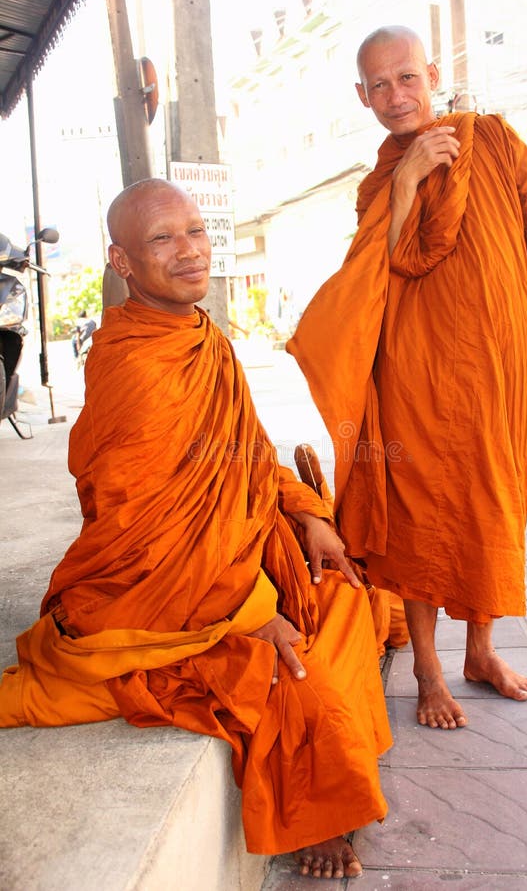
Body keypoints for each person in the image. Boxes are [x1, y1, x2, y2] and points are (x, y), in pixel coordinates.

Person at [0, 179, 392, 879]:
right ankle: (319, 819)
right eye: (162, 239)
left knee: (348, 601)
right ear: (122, 263)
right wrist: (248, 612)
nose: (189, 252)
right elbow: (143, 533)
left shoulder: (204, 337)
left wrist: (306, 514)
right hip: (156, 596)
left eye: (196, 231)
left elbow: (245, 450)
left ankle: (326, 777)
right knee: (292, 676)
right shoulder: (135, 363)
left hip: (224, 566)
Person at [287, 26, 527, 731]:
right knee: (416, 510)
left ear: (432, 73)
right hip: (413, 367)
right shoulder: (380, 181)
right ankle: (427, 667)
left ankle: (480, 651)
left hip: (498, 368)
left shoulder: (493, 140)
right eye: (378, 85)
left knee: (489, 502)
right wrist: (410, 177)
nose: (395, 95)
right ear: (362, 97)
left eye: (406, 77)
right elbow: (387, 264)